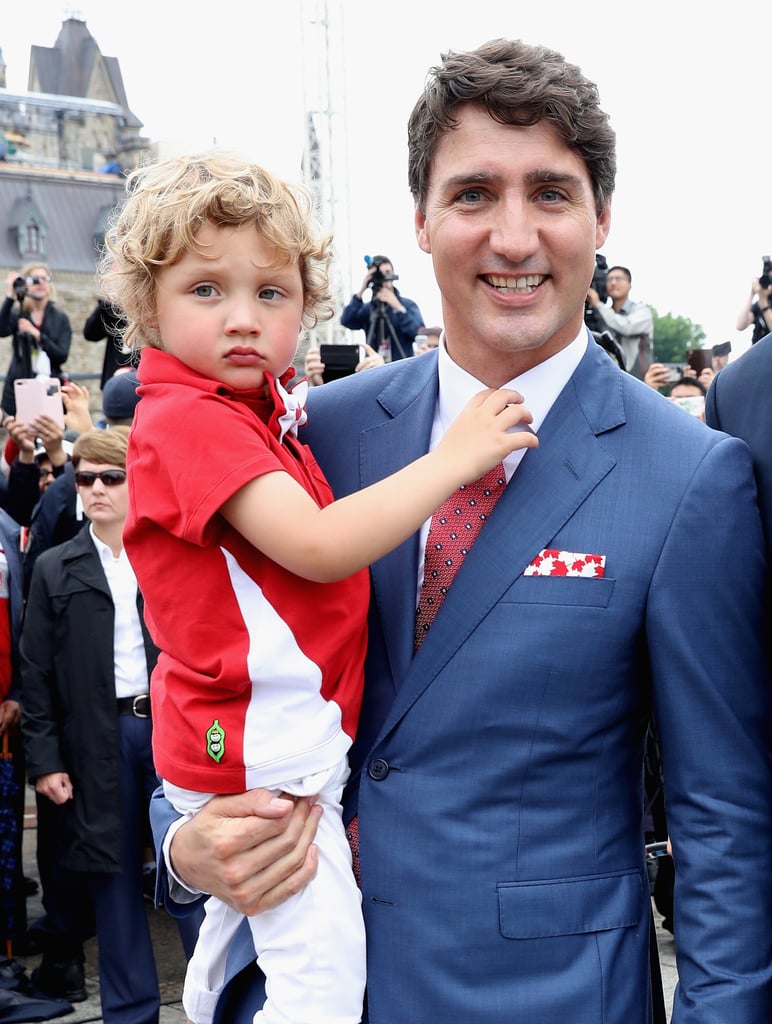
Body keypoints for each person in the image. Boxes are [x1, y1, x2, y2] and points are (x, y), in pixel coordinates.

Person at [156, 39, 772, 1023]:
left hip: (550, 1000)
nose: (514, 238)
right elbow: (204, 667)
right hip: (299, 984)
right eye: (475, 193)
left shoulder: (689, 476)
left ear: (602, 218)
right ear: (421, 219)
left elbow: (724, 819)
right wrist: (184, 844)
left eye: (551, 194)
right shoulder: (318, 433)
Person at [100, 150, 536, 1024]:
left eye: (271, 292)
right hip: (269, 748)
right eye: (205, 290)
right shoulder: (192, 419)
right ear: (148, 307)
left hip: (266, 739)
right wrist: (453, 461)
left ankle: (210, 985)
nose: (242, 319)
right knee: (324, 987)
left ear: (306, 304)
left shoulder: (246, 412)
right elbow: (320, 545)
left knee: (267, 928)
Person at [20, 427, 198, 1023]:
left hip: (173, 729)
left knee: (194, 872)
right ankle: (130, 1014)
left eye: (111, 477)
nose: (96, 488)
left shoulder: (174, 551)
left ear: (135, 479)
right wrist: (45, 761)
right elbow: (36, 673)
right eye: (85, 478)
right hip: (97, 738)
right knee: (112, 879)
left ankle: (216, 1002)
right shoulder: (54, 567)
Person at [0, 266, 71, 419]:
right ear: (26, 284)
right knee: (14, 425)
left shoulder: (60, 318)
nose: (41, 283)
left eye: (45, 279)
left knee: (50, 425)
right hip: (20, 381)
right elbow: (1, 330)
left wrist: (36, 334)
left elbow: (61, 355)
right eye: (35, 280)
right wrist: (10, 296)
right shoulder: (20, 313)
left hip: (49, 383)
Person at [340, 255, 423, 361]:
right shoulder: (369, 309)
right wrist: (362, 290)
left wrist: (398, 307)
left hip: (401, 365)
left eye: (387, 272)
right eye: (380, 273)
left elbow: (418, 333)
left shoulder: (408, 305)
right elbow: (347, 321)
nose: (384, 277)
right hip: (375, 366)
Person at [586, 264, 653, 378]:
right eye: (609, 279)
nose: (613, 283)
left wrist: (598, 304)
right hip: (610, 379)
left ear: (629, 285)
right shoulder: (602, 314)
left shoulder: (642, 311)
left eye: (618, 279)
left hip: (639, 380)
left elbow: (627, 327)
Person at [83, 296, 131, 388]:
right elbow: (90, 334)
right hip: (113, 381)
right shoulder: (113, 309)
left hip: (140, 381)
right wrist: (105, 305)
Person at [735, 262, 772, 346]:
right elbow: (740, 325)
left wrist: (763, 301)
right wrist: (752, 293)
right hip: (759, 351)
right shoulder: (758, 304)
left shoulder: (763, 301)